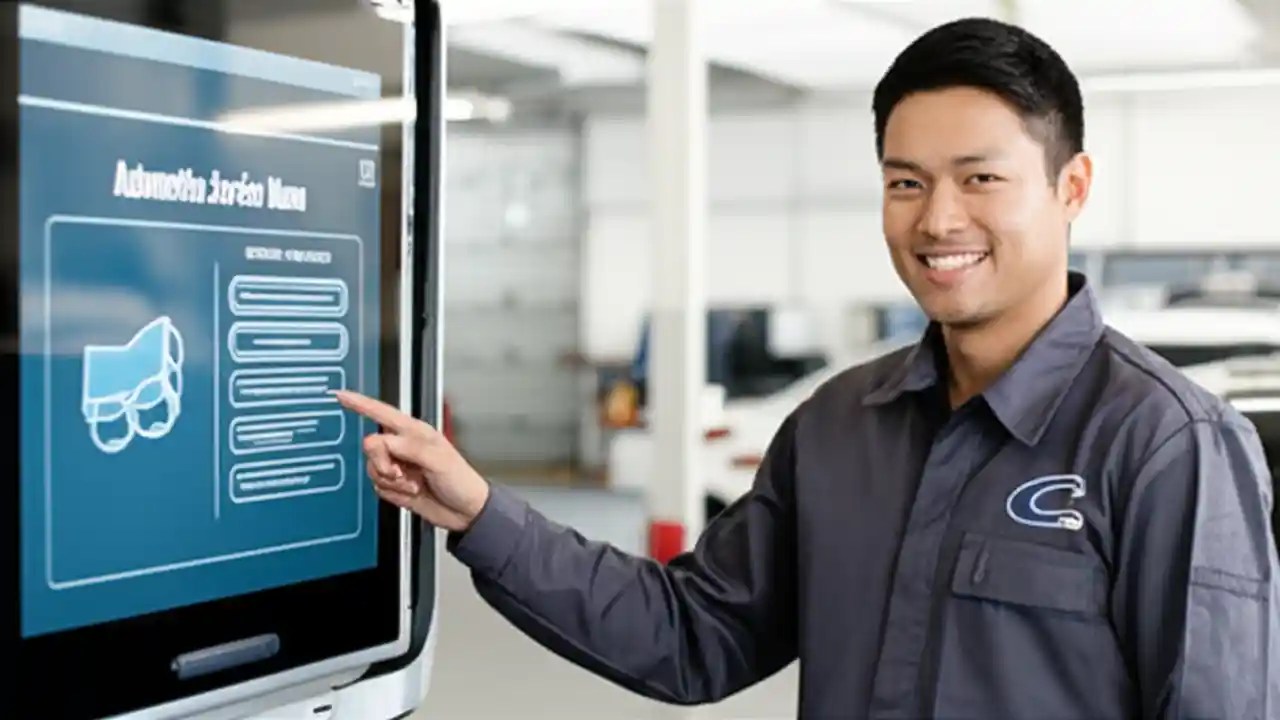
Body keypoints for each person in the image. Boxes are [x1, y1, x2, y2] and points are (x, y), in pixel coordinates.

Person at [336, 16, 1280, 719]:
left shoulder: (1167, 446)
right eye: (906, 182)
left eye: (981, 178)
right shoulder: (839, 426)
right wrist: (481, 513)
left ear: (1071, 187)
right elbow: (691, 635)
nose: (938, 219)